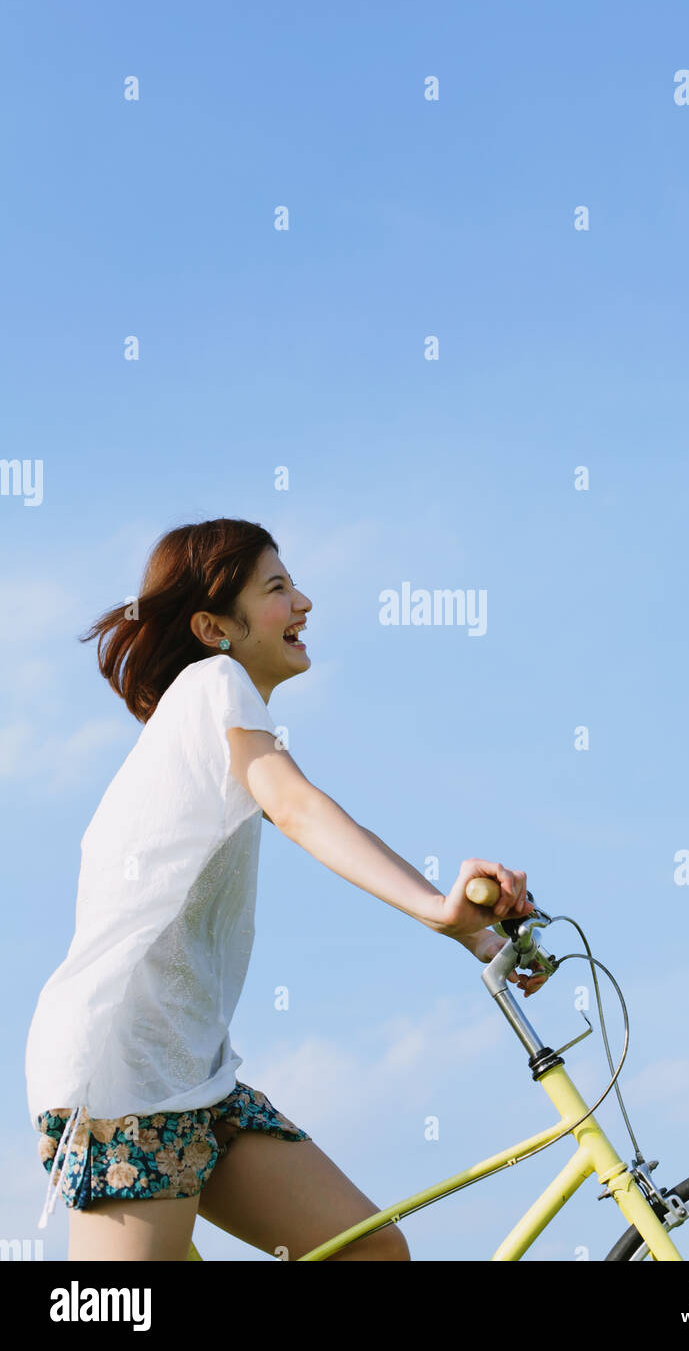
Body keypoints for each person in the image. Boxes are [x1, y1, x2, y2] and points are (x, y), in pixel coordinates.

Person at [24, 517, 546, 1261]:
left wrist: (474, 931)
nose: (303, 602)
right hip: (124, 1079)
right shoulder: (215, 685)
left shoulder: (213, 717)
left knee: (368, 1251)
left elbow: (300, 811)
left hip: (199, 1079)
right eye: (277, 589)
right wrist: (439, 909)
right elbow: (300, 809)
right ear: (213, 628)